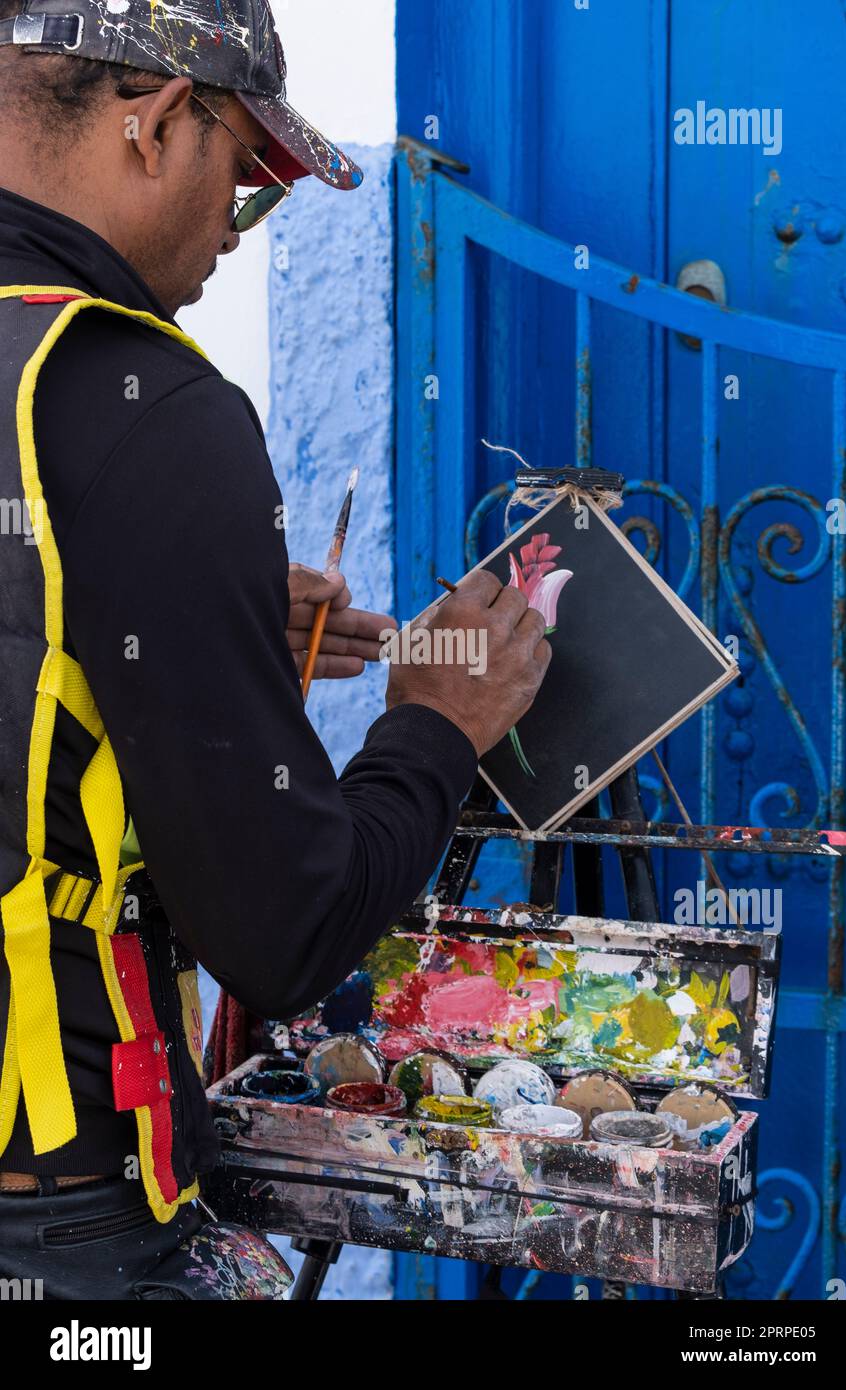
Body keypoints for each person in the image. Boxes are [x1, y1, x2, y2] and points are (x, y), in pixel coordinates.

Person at [0, 0, 551, 1298]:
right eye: (246, 180)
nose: (235, 240)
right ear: (155, 124)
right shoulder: (144, 402)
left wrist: (205, 632)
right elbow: (284, 928)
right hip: (65, 1211)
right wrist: (434, 720)